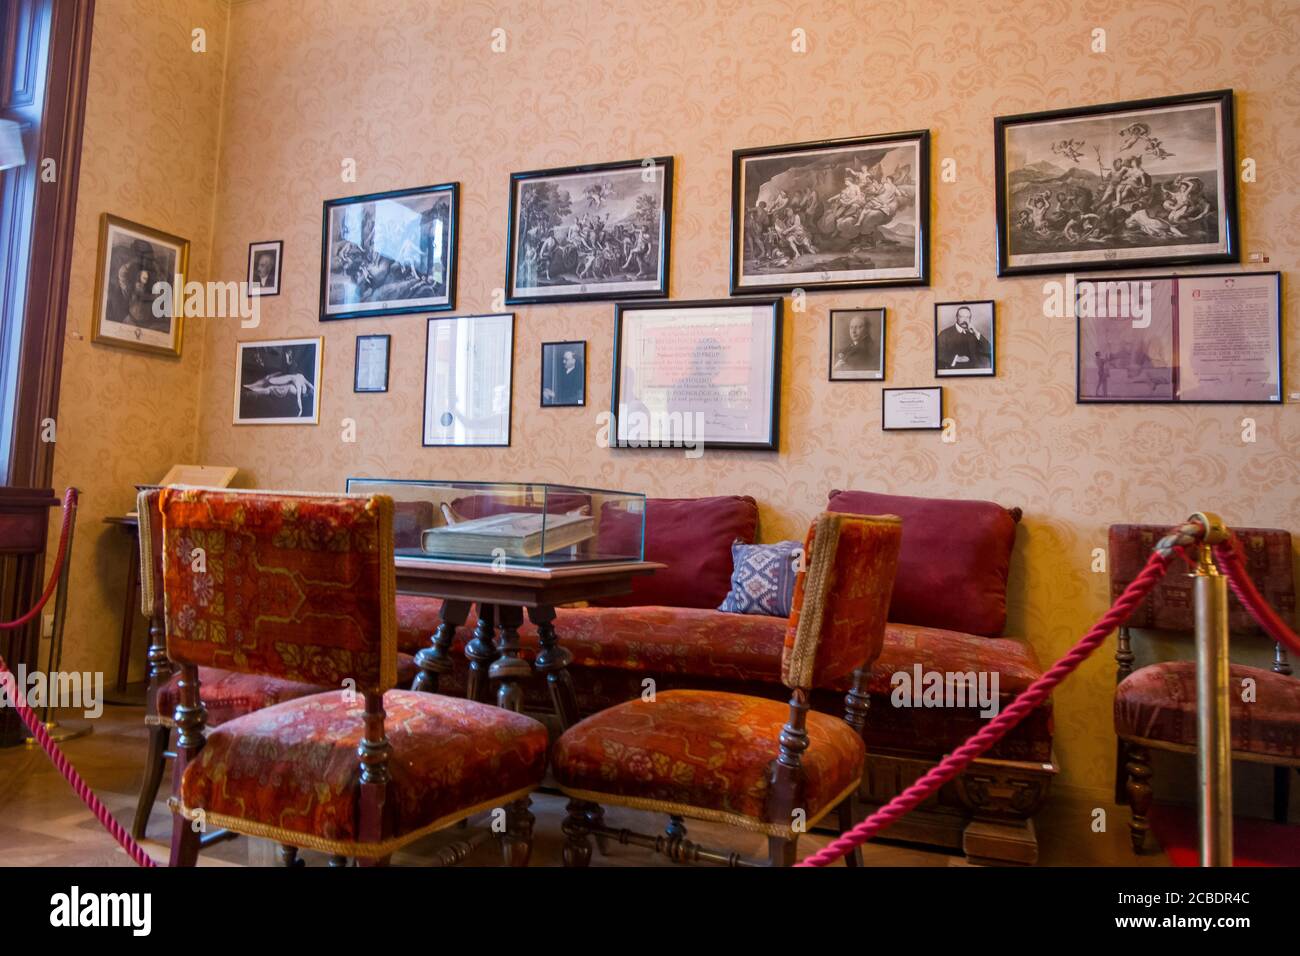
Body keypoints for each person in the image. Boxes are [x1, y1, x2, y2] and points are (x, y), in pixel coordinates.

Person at [936, 305, 991, 370]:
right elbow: (938, 353)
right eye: (962, 317)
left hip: (972, 373)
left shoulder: (972, 335)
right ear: (956, 317)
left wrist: (976, 332)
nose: (965, 320)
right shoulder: (944, 334)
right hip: (951, 372)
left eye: (967, 317)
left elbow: (989, 349)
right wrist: (957, 358)